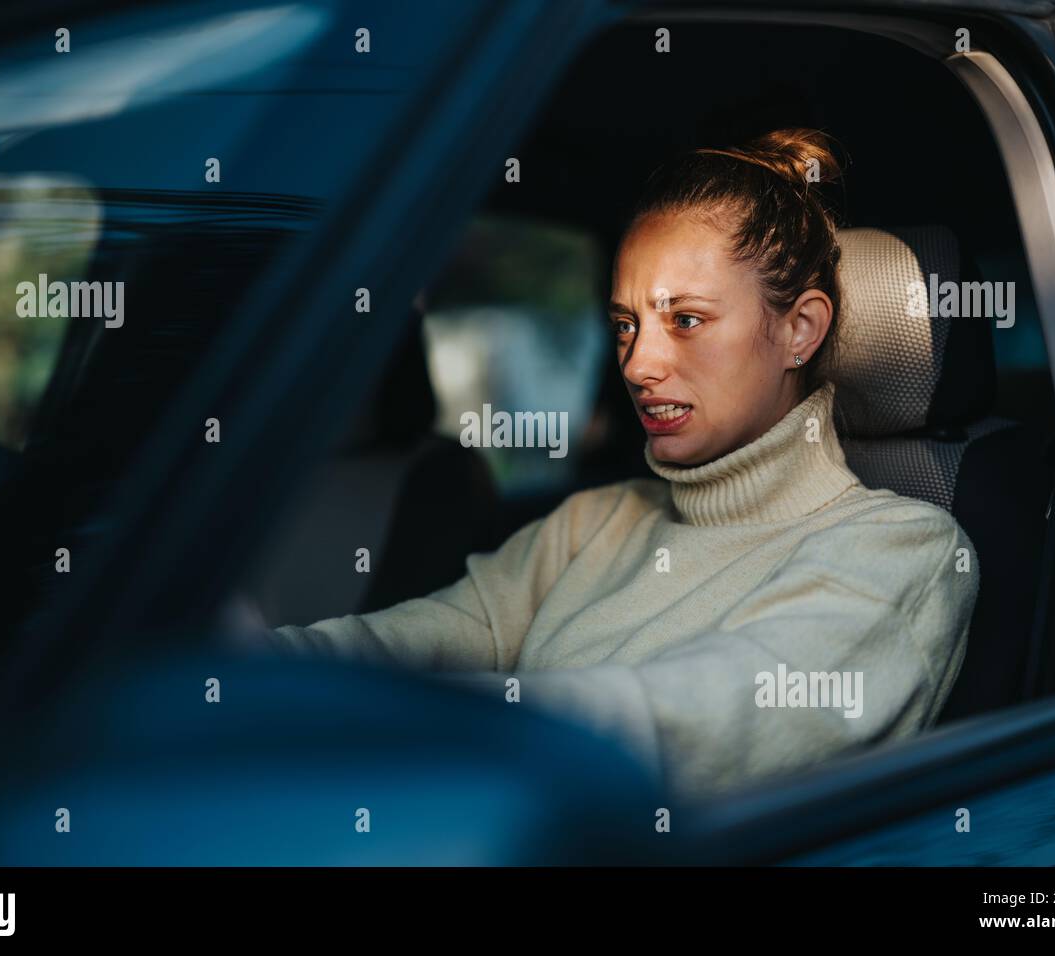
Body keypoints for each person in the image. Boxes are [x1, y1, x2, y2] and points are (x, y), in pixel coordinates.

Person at [261, 129, 979, 805]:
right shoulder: (597, 518)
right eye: (625, 326)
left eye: (686, 321)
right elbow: (425, 637)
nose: (638, 365)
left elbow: (685, 726)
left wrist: (382, 733)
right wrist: (238, 675)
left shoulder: (901, 550)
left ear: (800, 329)